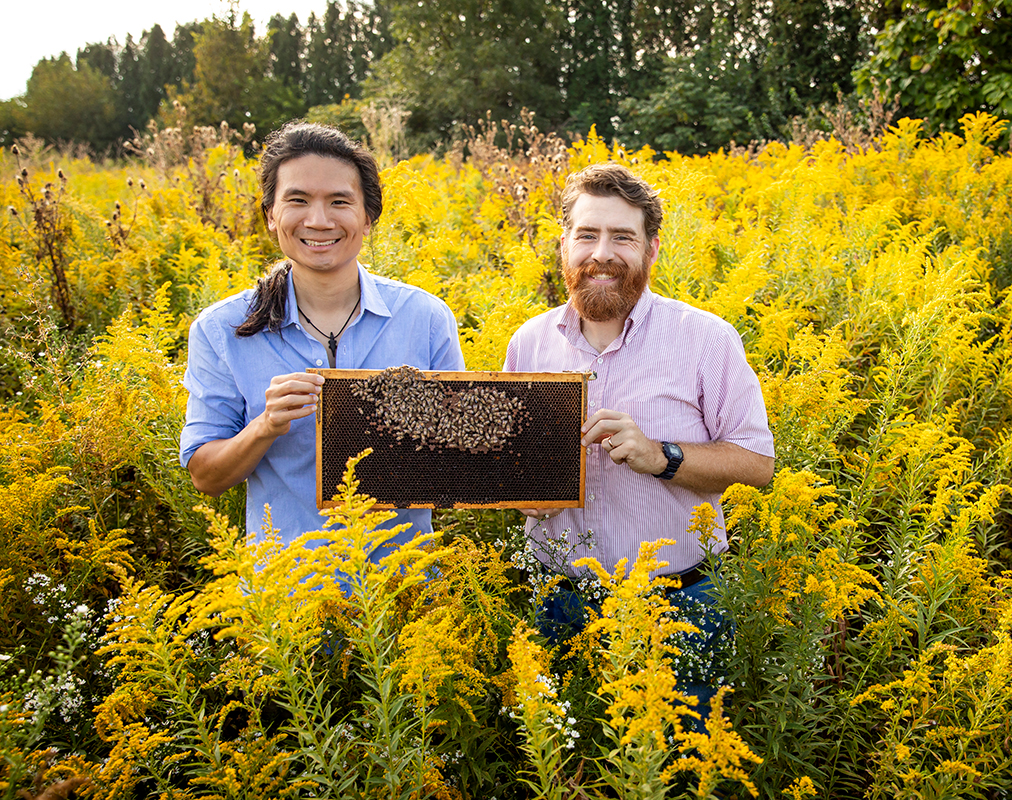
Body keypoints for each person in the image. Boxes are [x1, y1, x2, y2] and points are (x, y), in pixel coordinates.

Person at [503, 162, 774, 703]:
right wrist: (522, 494)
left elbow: (757, 464)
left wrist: (661, 455)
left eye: (622, 237)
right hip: (558, 597)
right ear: (564, 245)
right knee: (561, 764)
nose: (602, 252)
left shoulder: (706, 340)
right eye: (587, 234)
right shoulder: (529, 342)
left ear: (650, 250)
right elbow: (511, 461)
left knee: (678, 765)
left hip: (677, 604)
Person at [180, 122, 465, 553]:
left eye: (339, 202)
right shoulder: (220, 329)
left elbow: (462, 461)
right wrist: (264, 427)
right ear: (271, 215)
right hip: (291, 596)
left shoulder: (424, 317)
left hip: (406, 593)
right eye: (297, 200)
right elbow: (206, 476)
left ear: (367, 218)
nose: (318, 220)